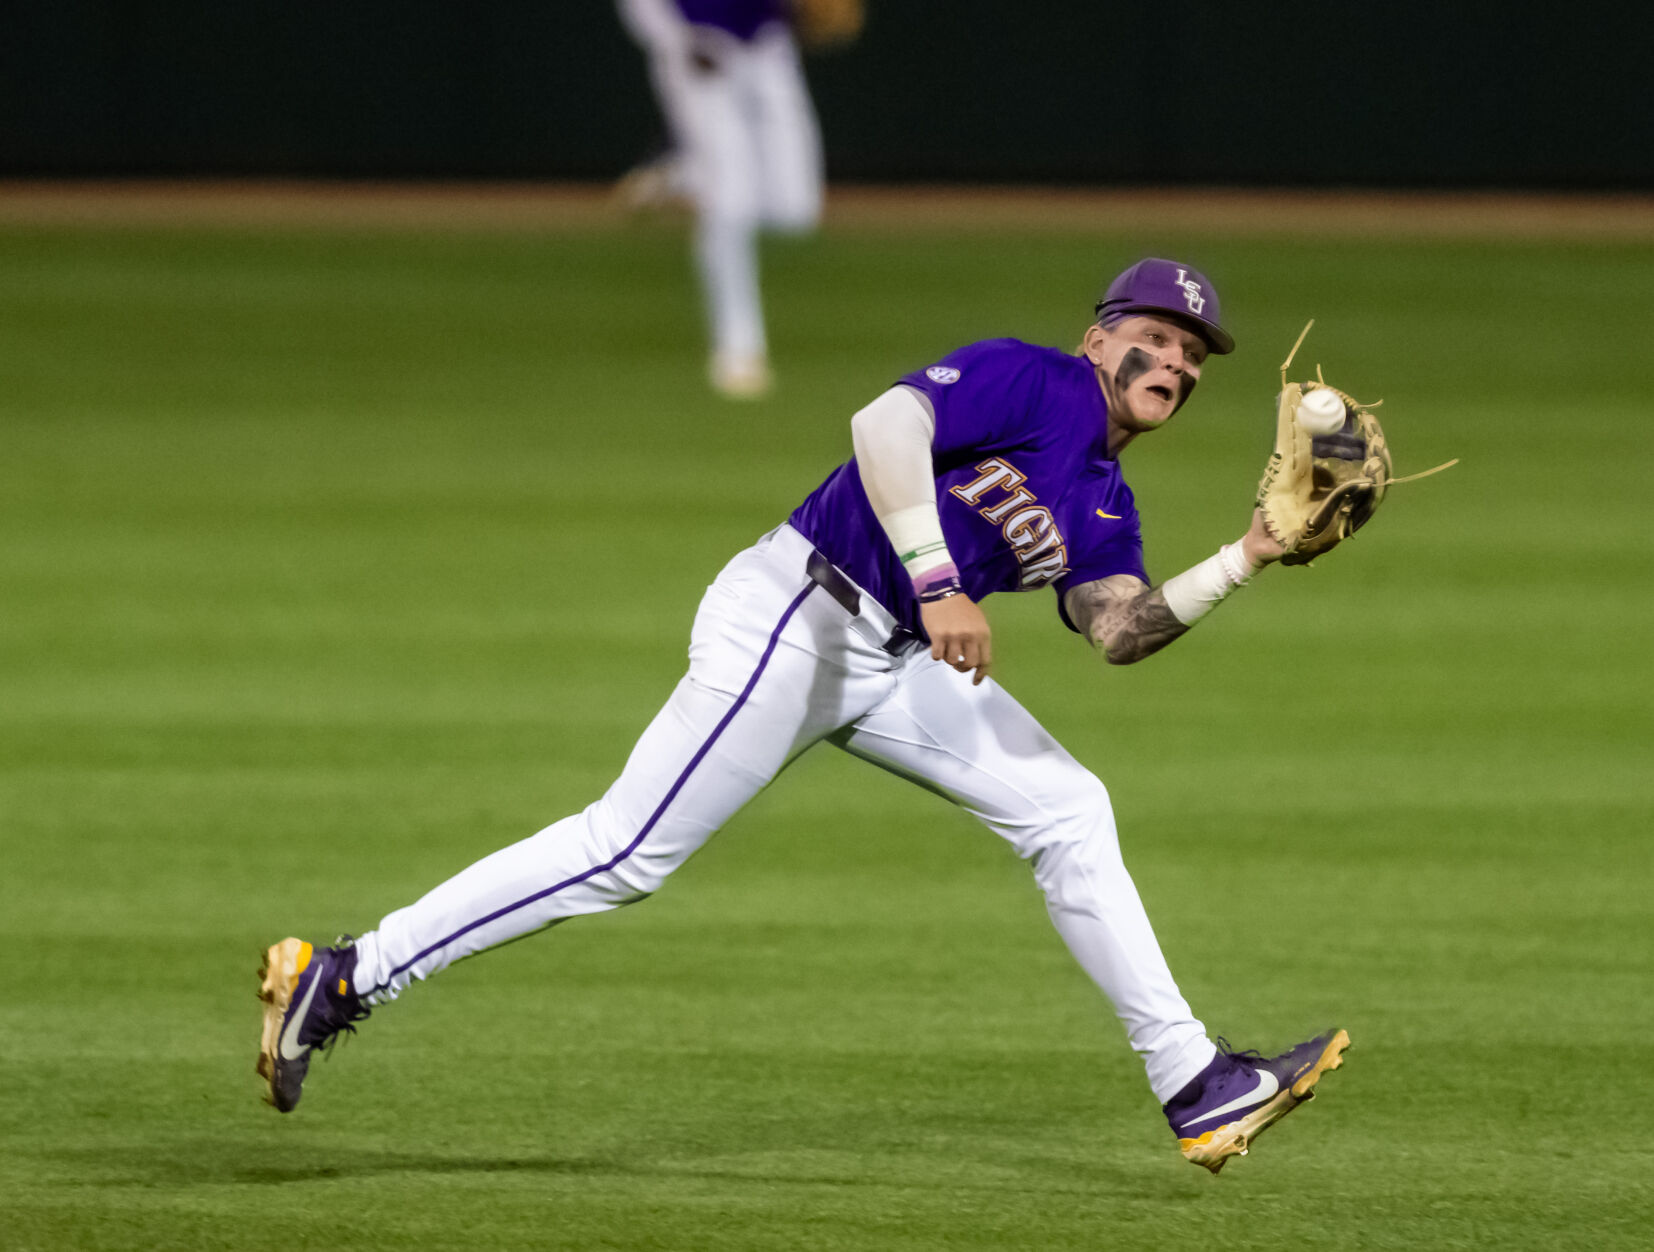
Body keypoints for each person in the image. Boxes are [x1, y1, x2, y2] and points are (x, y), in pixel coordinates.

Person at [257, 258, 1350, 1173]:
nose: (1171, 362)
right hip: (797, 612)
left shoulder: (1106, 501)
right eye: (1154, 336)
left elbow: (1119, 628)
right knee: (624, 851)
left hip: (891, 658)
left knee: (1068, 808)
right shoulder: (1037, 381)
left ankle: (1194, 1082)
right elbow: (884, 423)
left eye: (1192, 357)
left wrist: (1246, 556)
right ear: (1098, 336)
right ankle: (347, 974)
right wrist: (935, 577)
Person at [615, 0, 850, 399]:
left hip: (768, 50)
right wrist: (677, 40)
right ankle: (738, 351)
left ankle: (685, 169)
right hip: (700, 50)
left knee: (796, 211)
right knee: (730, 205)